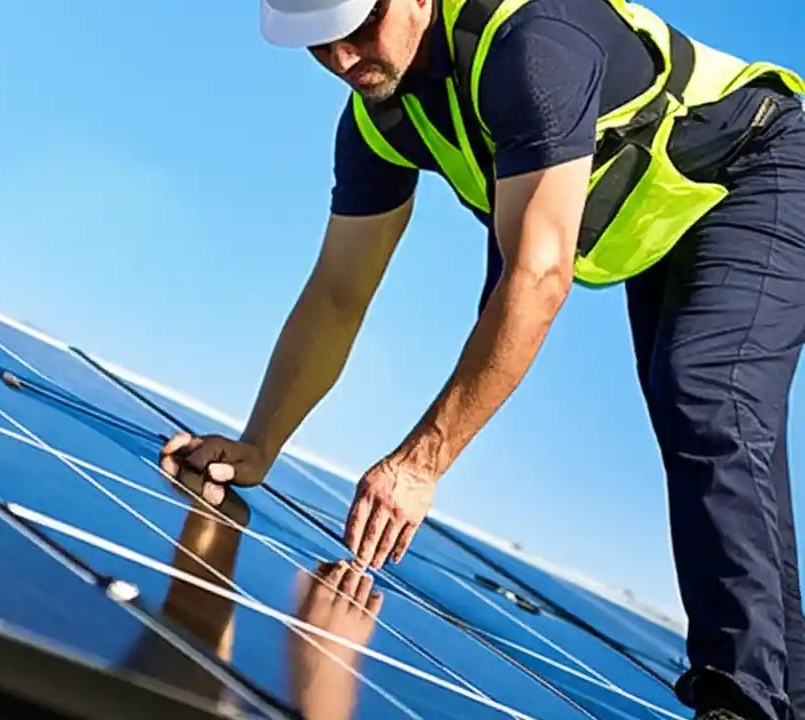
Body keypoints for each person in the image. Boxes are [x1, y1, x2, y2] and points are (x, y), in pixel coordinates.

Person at [155, 0, 805, 717]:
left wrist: (419, 463)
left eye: (357, 30)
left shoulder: (534, 46)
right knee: (712, 424)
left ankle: (743, 701)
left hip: (758, 162)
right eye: (318, 45)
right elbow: (338, 294)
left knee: (704, 393)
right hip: (664, 214)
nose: (342, 59)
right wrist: (257, 445)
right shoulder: (378, 118)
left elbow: (538, 280)